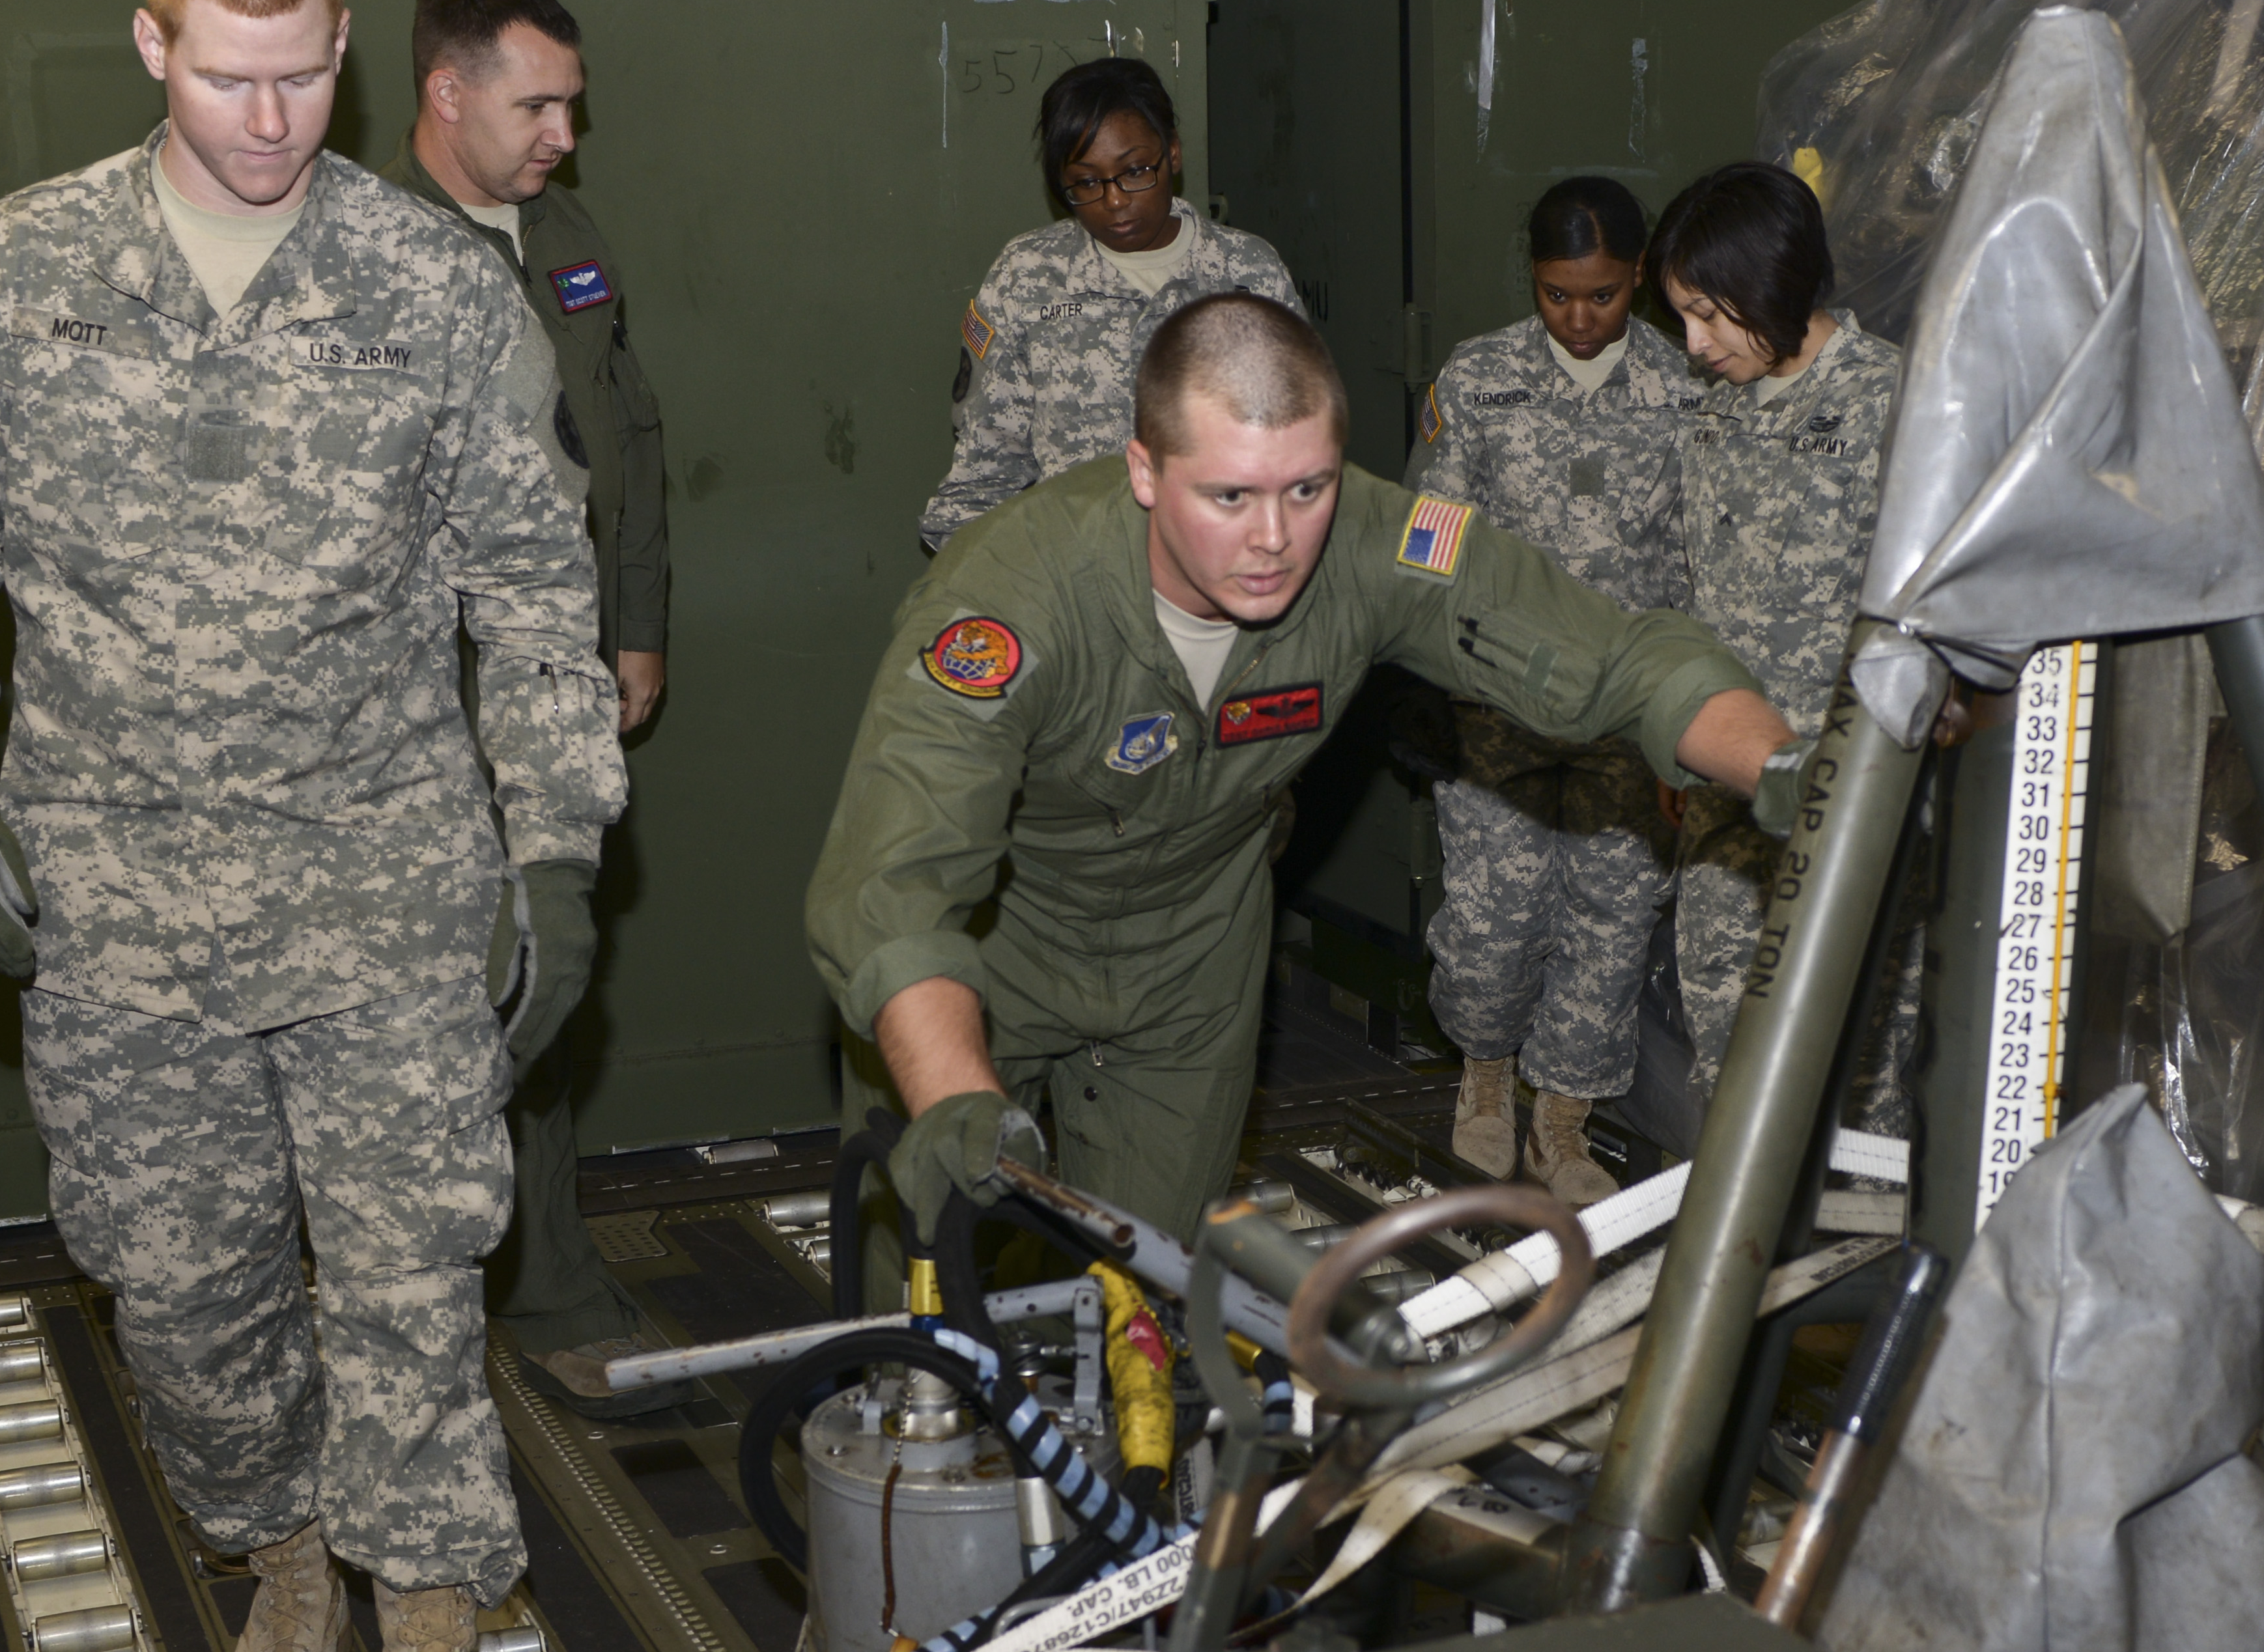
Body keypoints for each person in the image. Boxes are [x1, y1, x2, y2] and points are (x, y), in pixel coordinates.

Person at [0, 0, 625, 1652]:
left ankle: (432, 1645)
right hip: (122, 912)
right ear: (154, 48)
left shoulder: (436, 289)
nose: (270, 121)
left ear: (345, 53)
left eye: (301, 78)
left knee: (413, 1279)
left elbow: (536, 589)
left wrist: (555, 850)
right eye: (227, 77)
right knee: (185, 1302)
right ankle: (281, 1543)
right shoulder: (23, 273)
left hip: (387, 886)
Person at [808, 294, 1802, 1263]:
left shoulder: (1373, 539)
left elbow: (1617, 659)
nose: (1275, 540)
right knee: (925, 1289)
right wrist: (952, 1100)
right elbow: (900, 884)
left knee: (1145, 1297)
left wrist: (1795, 769)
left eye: (1307, 488)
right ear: (1145, 471)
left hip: (1191, 957)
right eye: (1229, 496)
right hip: (996, 946)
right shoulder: (1010, 596)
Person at [380, 0, 672, 1417]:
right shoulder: (364, 250)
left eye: (571, 102)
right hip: (417, 705)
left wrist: (638, 622)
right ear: (448, 91)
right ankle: (405, 1311)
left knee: (546, 975)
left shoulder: (560, 229)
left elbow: (627, 422)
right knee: (412, 1008)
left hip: (557, 681)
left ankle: (551, 1277)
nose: (564, 129)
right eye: (538, 102)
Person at [1407, 178, 1691, 1203]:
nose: (1579, 318)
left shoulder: (1685, 392)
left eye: (1604, 296)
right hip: (1500, 712)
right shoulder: (1479, 379)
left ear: (1641, 282)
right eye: (1555, 294)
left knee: (1609, 924)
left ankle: (1561, 1123)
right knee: (1491, 923)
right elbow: (1430, 534)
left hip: (1627, 718)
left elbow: (1705, 562)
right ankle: (1484, 1081)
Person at [1653, 161, 1916, 1125]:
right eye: (1681, 316)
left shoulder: (1895, 406)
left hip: (1846, 790)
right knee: (1725, 1051)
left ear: (1774, 284)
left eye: (1710, 315)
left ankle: (1859, 1263)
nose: (1693, 344)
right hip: (1727, 789)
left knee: (1860, 1061)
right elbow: (1692, 587)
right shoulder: (1711, 417)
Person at [919, 57, 1301, 547]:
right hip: (1079, 583)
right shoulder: (1029, 276)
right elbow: (985, 471)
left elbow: (1295, 449)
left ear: (1174, 155)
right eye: (1086, 182)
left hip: (1222, 573)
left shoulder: (1248, 274)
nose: (1115, 200)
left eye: (1135, 171)